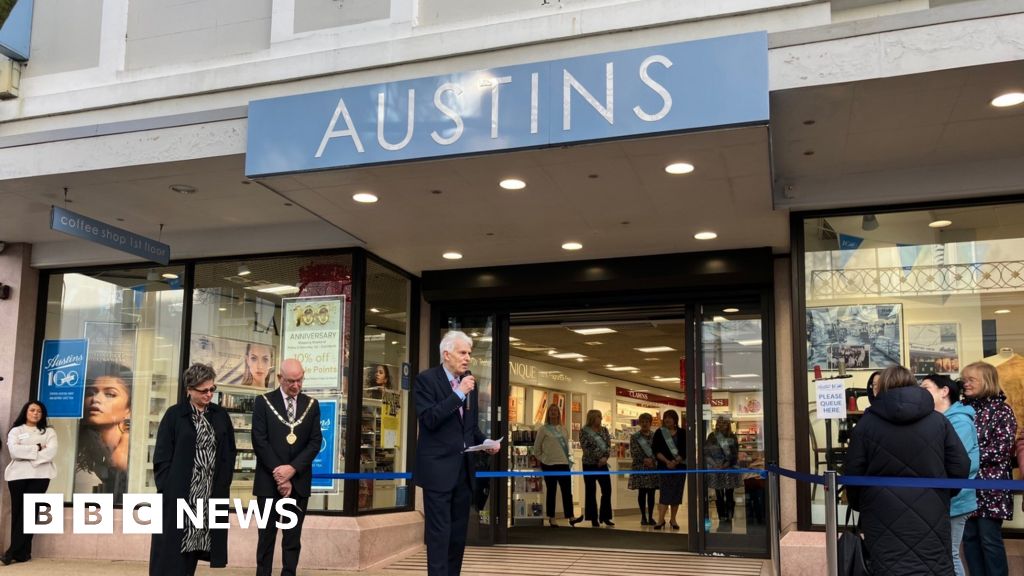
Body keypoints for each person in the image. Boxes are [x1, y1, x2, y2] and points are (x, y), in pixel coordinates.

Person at [845, 366, 971, 575]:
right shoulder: (938, 421)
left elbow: (853, 471)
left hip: (880, 511)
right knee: (932, 566)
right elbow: (960, 465)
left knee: (887, 567)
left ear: (882, 387)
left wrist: (862, 502)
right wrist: (943, 493)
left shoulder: (866, 423)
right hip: (931, 509)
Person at [414, 330, 499, 576]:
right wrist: (459, 394)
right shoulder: (427, 380)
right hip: (438, 473)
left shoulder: (470, 382)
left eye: (470, 353)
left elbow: (469, 428)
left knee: (457, 537)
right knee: (439, 536)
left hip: (463, 473)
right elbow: (429, 419)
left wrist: (487, 441)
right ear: (447, 354)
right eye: (463, 353)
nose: (467, 358)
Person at [150, 363, 237, 576]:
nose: (209, 394)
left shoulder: (219, 416)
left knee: (197, 544)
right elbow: (161, 456)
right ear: (189, 389)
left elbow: (229, 453)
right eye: (203, 390)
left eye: (212, 389)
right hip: (180, 493)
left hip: (208, 494)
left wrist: (223, 483)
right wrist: (168, 487)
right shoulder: (174, 415)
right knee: (171, 549)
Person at [252, 358, 323, 576]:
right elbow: (259, 441)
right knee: (266, 535)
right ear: (280, 378)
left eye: (300, 380)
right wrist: (280, 475)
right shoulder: (263, 402)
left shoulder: (311, 405)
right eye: (291, 381)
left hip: (299, 482)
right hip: (268, 481)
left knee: (292, 536)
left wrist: (292, 470)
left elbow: (314, 442)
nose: (296, 386)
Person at [960, 361, 1016, 576]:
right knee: (970, 540)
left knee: (990, 541)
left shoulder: (1003, 411)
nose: (966, 384)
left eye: (971, 379)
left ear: (987, 381)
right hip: (967, 485)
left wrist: (967, 458)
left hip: (992, 488)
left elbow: (1001, 449)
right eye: (965, 379)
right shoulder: (964, 410)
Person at [920, 373, 979, 576]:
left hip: (956, 500)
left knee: (949, 554)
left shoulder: (959, 421)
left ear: (944, 391)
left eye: (926, 388)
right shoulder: (939, 420)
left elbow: (955, 462)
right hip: (942, 499)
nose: (921, 392)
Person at [3, 401, 57, 565]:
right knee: (19, 513)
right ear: (25, 412)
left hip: (40, 475)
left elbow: (51, 452)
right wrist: (38, 447)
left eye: (39, 411)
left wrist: (28, 456)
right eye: (32, 410)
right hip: (17, 476)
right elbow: (13, 451)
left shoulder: (49, 432)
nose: (35, 413)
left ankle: (11, 551)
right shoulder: (16, 431)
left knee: (29, 512)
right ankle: (23, 553)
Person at [76, 361, 132, 502]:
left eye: (110, 394)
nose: (96, 399)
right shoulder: (76, 449)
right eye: (91, 393)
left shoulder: (132, 449)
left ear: (128, 408)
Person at [532, 404, 582, 527]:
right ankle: (552, 517)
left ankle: (571, 516)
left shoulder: (563, 429)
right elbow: (536, 448)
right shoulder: (543, 429)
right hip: (549, 464)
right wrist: (543, 459)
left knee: (567, 491)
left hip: (563, 463)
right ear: (548, 413)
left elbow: (566, 445)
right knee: (551, 491)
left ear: (559, 413)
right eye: (551, 411)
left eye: (556, 410)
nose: (554, 412)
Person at [705, 415, 742, 532]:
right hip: (715, 469)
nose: (721, 425)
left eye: (723, 423)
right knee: (719, 494)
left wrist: (725, 465)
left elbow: (734, 454)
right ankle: (721, 516)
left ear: (728, 424)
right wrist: (715, 465)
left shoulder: (732, 437)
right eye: (719, 422)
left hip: (729, 468)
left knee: (730, 494)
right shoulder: (711, 436)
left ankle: (730, 516)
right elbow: (706, 452)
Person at [651, 409, 685, 530]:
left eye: (670, 417)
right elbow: (656, 450)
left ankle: (673, 519)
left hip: (679, 467)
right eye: (665, 417)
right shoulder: (659, 433)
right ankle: (661, 520)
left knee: (676, 493)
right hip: (664, 466)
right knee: (664, 493)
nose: (667, 419)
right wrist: (667, 462)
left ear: (675, 419)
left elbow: (685, 450)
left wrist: (676, 461)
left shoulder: (682, 433)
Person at [580, 409, 613, 527]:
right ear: (592, 418)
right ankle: (593, 517)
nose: (600, 419)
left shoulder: (604, 430)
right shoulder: (584, 431)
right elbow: (586, 448)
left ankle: (605, 516)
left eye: (600, 416)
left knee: (607, 490)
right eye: (598, 417)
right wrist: (598, 459)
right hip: (589, 464)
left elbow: (608, 445)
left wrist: (605, 458)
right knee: (591, 491)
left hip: (603, 464)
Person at [628, 412, 659, 526]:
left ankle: (651, 517)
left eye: (647, 421)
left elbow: (657, 451)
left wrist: (653, 460)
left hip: (652, 468)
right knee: (642, 492)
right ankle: (643, 516)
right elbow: (634, 452)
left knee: (651, 493)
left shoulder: (655, 436)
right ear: (639, 423)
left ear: (650, 423)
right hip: (640, 467)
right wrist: (644, 460)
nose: (645, 424)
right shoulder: (635, 437)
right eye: (643, 422)